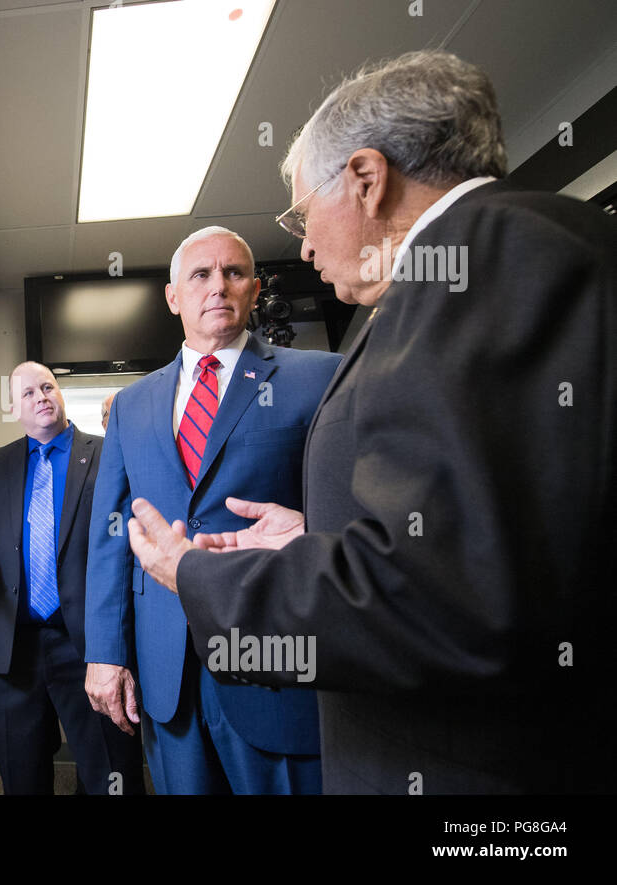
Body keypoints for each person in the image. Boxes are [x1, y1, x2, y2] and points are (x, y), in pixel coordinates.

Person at [126, 49, 617, 793]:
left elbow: (436, 598)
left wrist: (194, 572)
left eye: (300, 211)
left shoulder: (479, 264)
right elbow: (490, 537)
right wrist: (318, 536)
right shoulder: (482, 265)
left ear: (365, 178)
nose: (303, 244)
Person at [84, 227, 341, 794]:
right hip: (166, 670)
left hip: (274, 661)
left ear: (254, 289)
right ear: (174, 297)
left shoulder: (318, 378)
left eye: (233, 273)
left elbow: (352, 509)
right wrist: (105, 652)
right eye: (200, 275)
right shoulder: (132, 405)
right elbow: (109, 537)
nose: (217, 287)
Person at [0, 361, 144, 794]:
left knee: (111, 775)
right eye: (28, 393)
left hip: (90, 647)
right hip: (12, 649)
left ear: (60, 394)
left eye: (47, 387)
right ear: (14, 409)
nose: (41, 396)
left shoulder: (107, 453)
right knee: (21, 779)